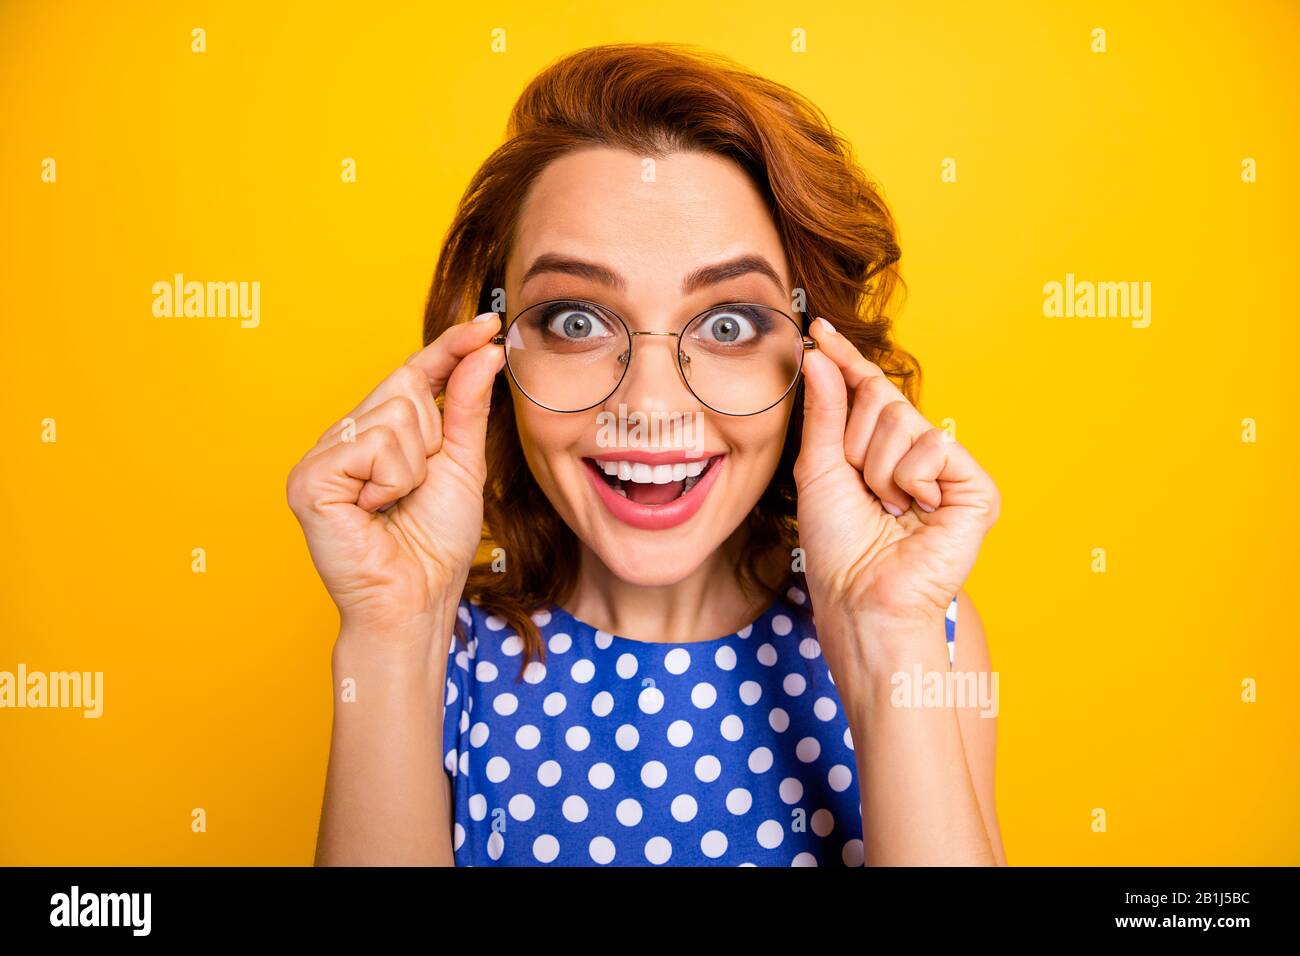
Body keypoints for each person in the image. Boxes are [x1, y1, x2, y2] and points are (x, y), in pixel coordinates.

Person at [288, 42, 1006, 866]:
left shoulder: (925, 631)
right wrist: (392, 629)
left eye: (730, 324)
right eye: (576, 321)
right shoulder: (431, 650)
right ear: (489, 354)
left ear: (821, 363)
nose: (653, 408)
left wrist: (888, 641)